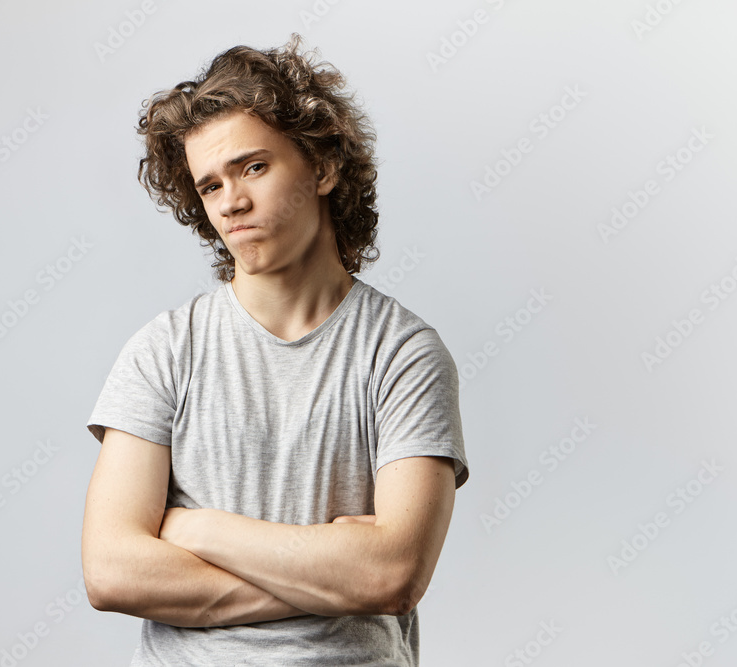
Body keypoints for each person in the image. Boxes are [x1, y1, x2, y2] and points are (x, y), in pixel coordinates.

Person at [82, 32, 469, 666]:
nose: (232, 202)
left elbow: (392, 576)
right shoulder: (163, 351)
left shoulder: (404, 354)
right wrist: (331, 573)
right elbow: (111, 572)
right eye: (209, 186)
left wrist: (197, 529)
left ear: (322, 166)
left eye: (253, 167)